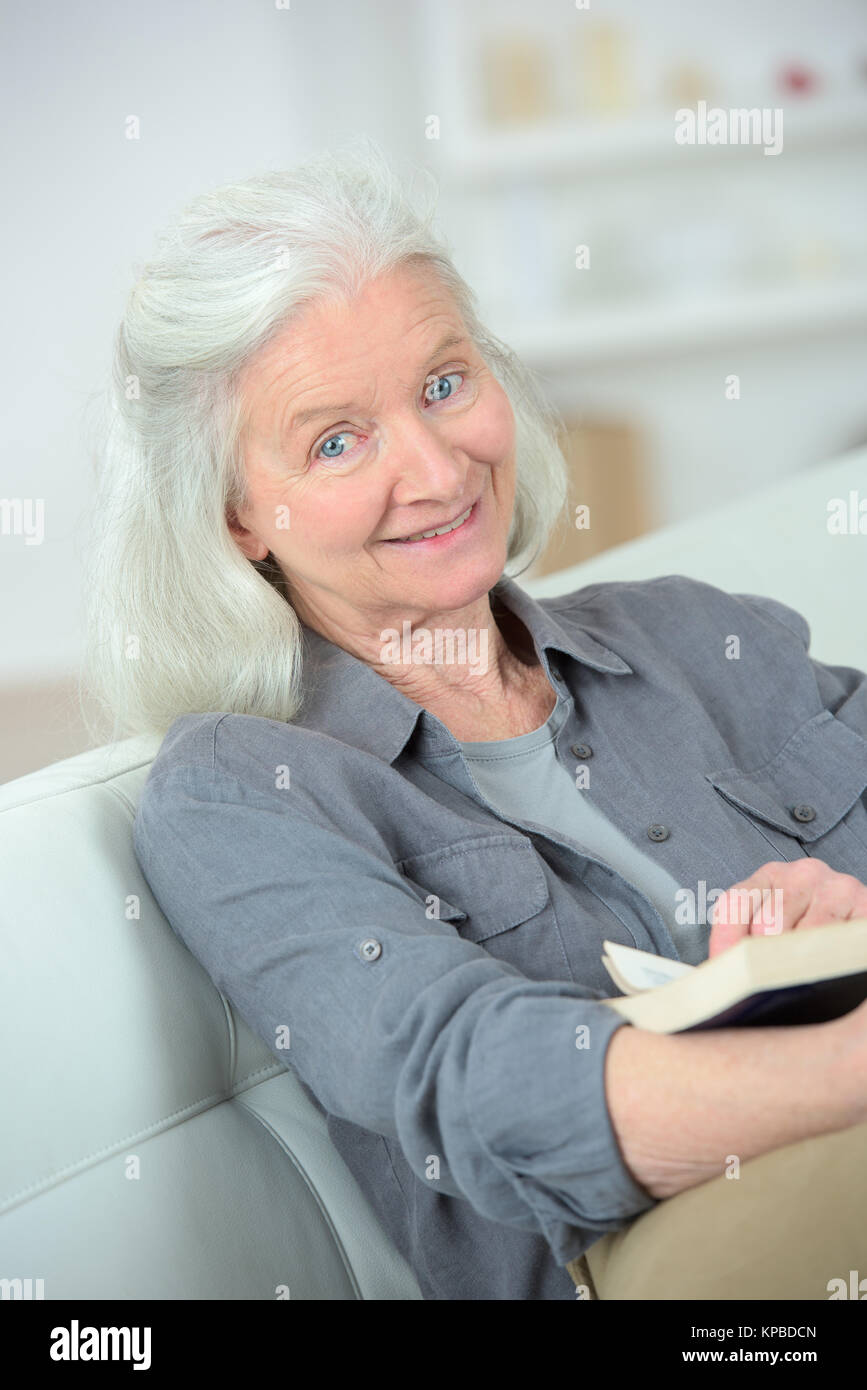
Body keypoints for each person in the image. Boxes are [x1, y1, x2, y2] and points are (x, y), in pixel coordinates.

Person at [84, 139, 867, 1300]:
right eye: (337, 440)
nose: (439, 469)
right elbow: (482, 1084)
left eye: (445, 383)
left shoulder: (701, 635)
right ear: (241, 514)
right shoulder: (239, 786)